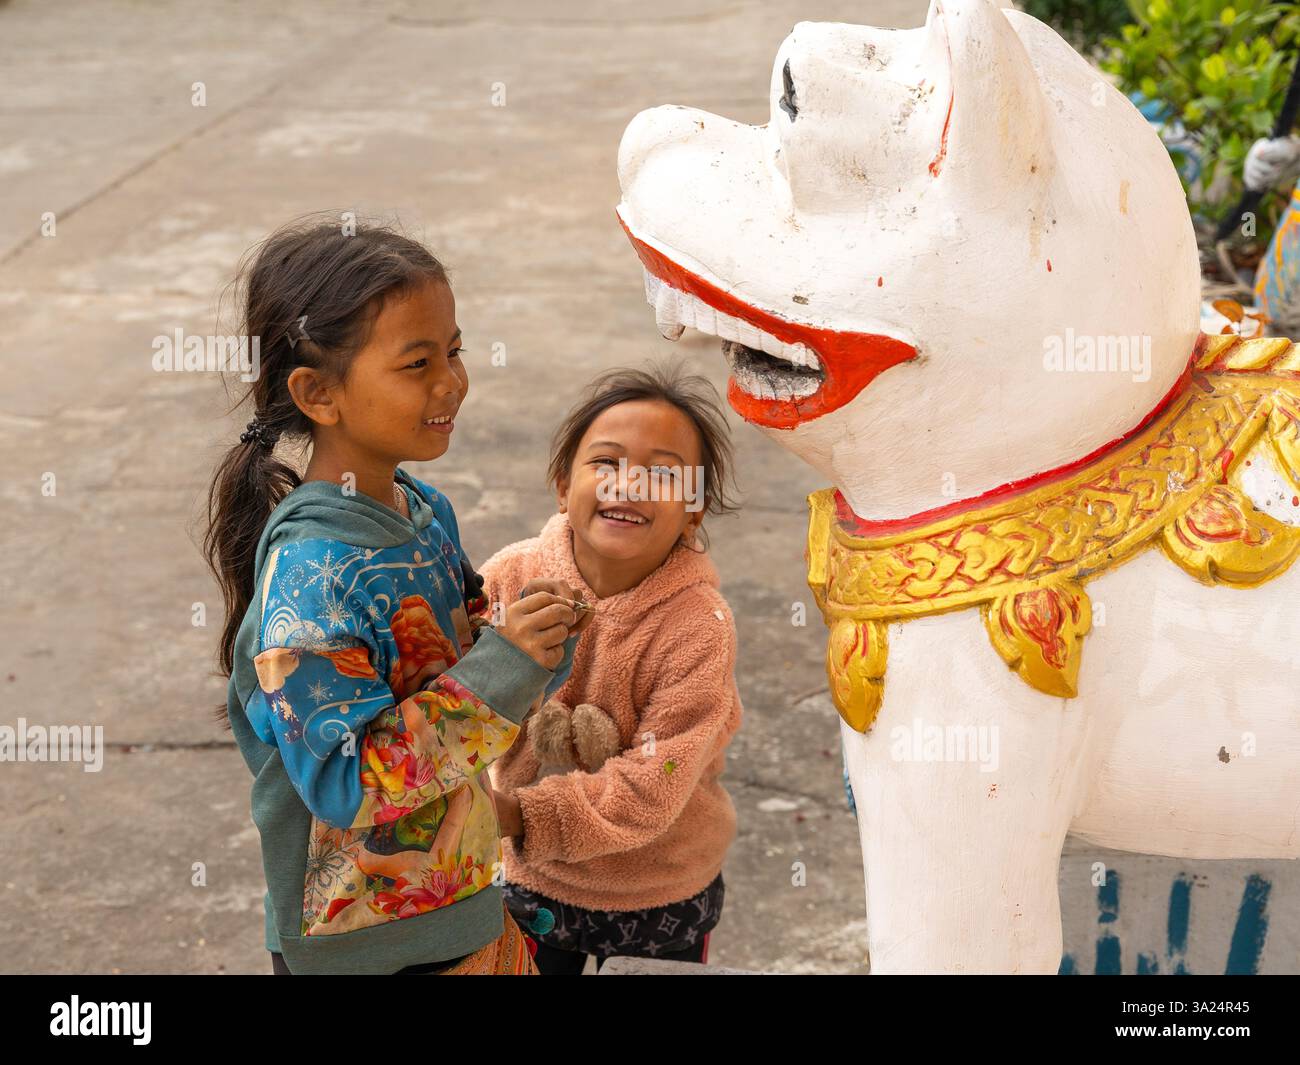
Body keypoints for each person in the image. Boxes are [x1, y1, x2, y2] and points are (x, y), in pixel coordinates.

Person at [205, 217, 590, 974]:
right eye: (417, 362)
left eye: (454, 350)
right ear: (318, 392)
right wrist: (504, 665)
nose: (451, 381)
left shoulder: (420, 510)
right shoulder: (310, 578)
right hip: (361, 945)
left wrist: (532, 636)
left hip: (458, 904)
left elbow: (459, 662)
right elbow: (347, 780)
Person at [480, 365, 745, 974]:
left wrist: (521, 815)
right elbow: (453, 698)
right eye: (606, 461)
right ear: (560, 484)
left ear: (694, 510)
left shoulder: (699, 626)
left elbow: (656, 781)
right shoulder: (508, 582)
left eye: (661, 472)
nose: (628, 485)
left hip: (661, 896)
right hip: (526, 881)